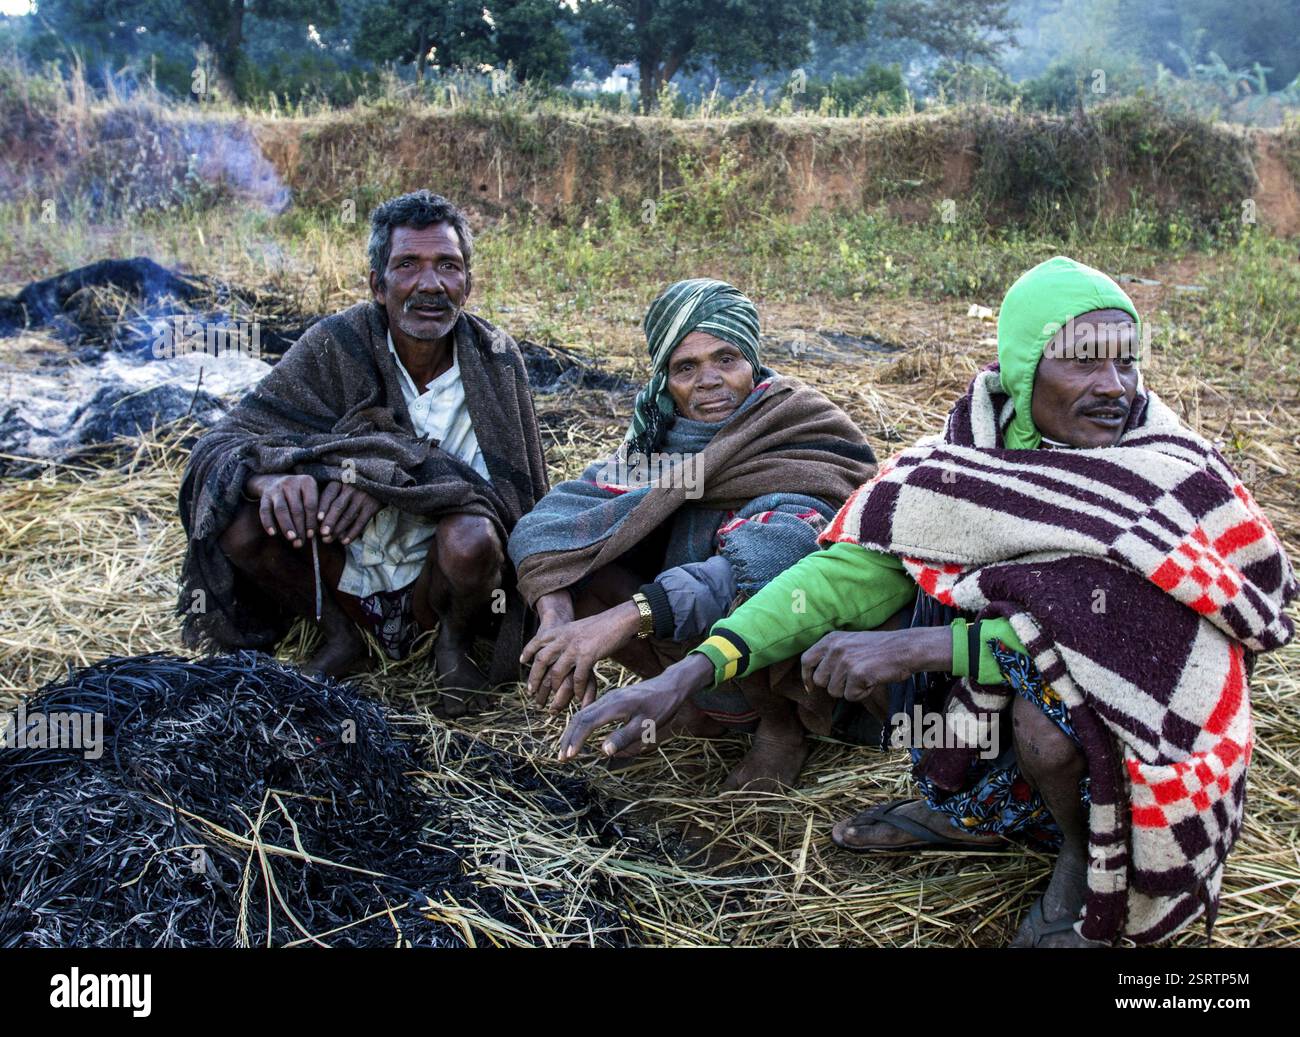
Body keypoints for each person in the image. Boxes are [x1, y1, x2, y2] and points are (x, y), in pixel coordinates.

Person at [556, 256, 1296, 947]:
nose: (1115, 385)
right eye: (1083, 358)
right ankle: (969, 810)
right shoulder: (964, 457)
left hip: (1137, 728)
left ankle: (1082, 855)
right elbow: (842, 575)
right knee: (873, 606)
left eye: (1126, 358)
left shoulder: (1165, 472)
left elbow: (1121, 632)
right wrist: (686, 673)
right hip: (1003, 686)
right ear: (1023, 365)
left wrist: (924, 648)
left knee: (1042, 718)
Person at [178, 191, 549, 713]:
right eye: (407, 266)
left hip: (435, 584)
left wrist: (388, 485)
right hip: (341, 573)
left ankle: (452, 643)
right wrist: (272, 481)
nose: (430, 285)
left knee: (473, 538)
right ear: (378, 284)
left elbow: (511, 500)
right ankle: (339, 636)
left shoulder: (496, 360)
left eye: (448, 266)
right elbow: (220, 446)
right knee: (240, 521)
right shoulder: (336, 344)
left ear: (468, 283)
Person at [508, 278, 878, 790]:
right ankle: (695, 709)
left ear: (752, 361)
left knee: (760, 575)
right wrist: (558, 617)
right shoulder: (662, 444)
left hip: (786, 654)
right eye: (686, 368)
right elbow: (549, 523)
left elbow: (782, 553)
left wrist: (625, 618)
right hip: (689, 650)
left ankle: (780, 729)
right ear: (665, 382)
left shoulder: (798, 426)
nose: (709, 381)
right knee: (588, 563)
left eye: (726, 359)